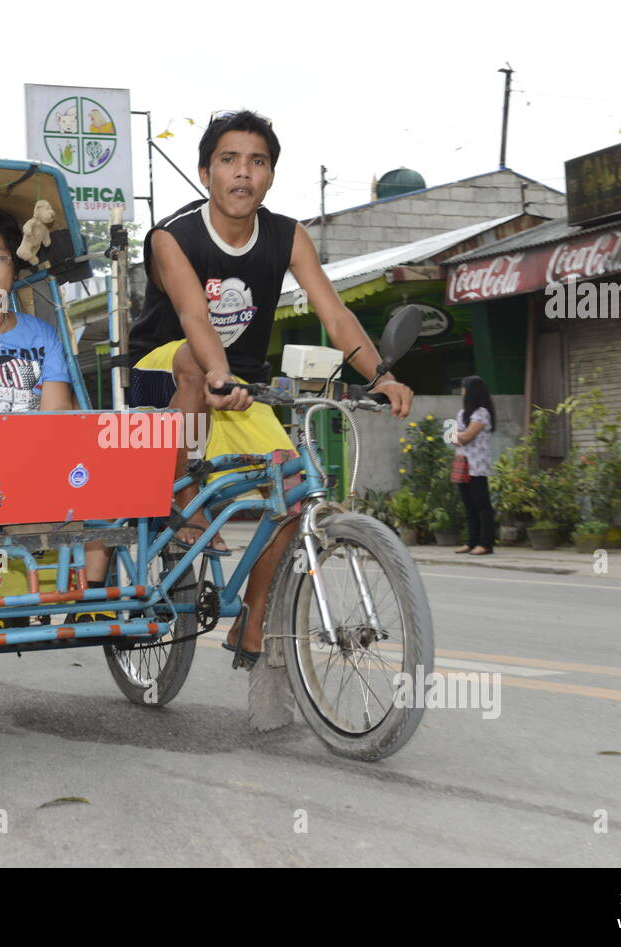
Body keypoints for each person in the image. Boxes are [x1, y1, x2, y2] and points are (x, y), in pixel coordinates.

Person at [125, 110, 414, 666]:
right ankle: (183, 495)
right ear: (206, 171)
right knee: (194, 357)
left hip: (235, 390)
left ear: (271, 175)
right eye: (228, 160)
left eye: (257, 162)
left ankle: (252, 623)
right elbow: (194, 315)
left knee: (292, 484)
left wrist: (382, 375)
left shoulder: (287, 235)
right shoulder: (173, 236)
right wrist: (216, 374)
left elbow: (333, 312)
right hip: (165, 382)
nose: (242, 173)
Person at [0, 207, 105, 624]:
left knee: (102, 447)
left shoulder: (41, 333)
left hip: (37, 456)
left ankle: (93, 600)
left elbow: (57, 411)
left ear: (14, 265)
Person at [451, 375, 496, 556]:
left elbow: (466, 436)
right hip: (462, 463)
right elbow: (452, 438)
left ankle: (485, 543)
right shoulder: (462, 413)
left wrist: (459, 435)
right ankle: (471, 542)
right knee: (468, 505)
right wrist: (459, 436)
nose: (462, 392)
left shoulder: (482, 413)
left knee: (482, 505)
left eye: (464, 388)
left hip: (477, 465)